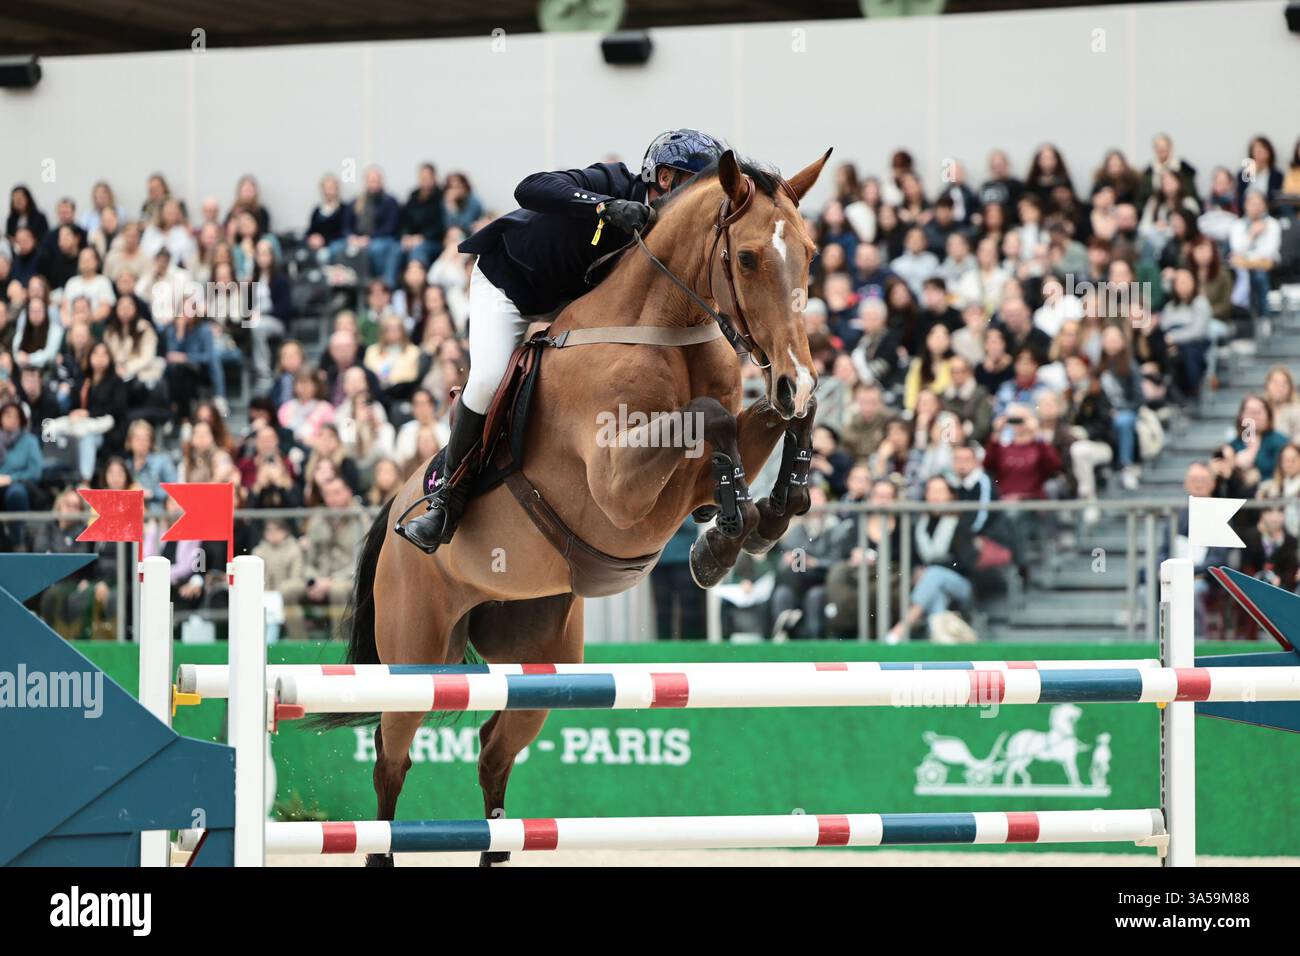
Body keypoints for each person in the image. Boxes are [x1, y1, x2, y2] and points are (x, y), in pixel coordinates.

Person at [400, 129, 726, 552]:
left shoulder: (673, 239)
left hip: (566, 305)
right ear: (664, 178)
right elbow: (530, 188)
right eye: (697, 186)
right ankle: (446, 497)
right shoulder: (612, 181)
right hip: (509, 285)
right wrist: (606, 208)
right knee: (486, 378)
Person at [887, 475, 979, 643]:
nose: (935, 495)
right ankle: (940, 639)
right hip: (928, 584)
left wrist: (931, 568)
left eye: (940, 491)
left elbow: (965, 563)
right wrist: (917, 571)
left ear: (950, 496)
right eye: (931, 491)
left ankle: (901, 628)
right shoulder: (918, 525)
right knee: (936, 590)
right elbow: (911, 559)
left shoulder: (961, 523)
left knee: (934, 574)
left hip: (961, 585)